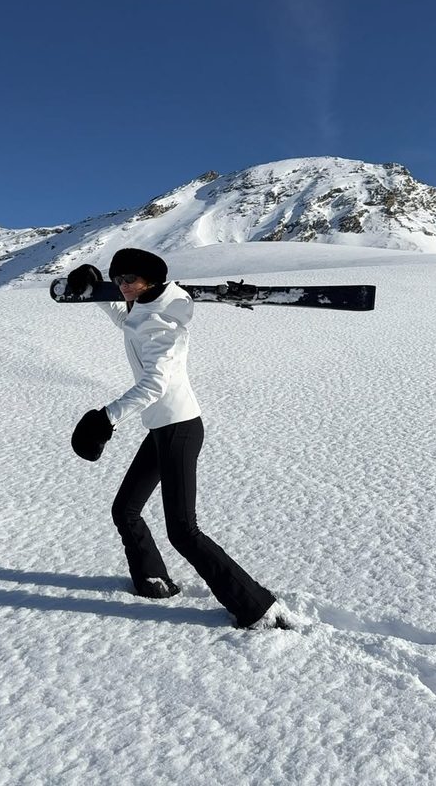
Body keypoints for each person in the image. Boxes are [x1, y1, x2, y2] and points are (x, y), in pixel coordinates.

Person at [66, 247, 289, 631]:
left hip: (179, 429)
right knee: (125, 510)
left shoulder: (162, 326)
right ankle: (153, 581)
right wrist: (96, 294)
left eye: (128, 281)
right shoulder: (144, 311)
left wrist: (106, 418)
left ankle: (257, 608)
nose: (122, 287)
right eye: (117, 280)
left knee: (183, 531)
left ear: (150, 282)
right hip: (160, 429)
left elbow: (154, 384)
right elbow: (128, 320)